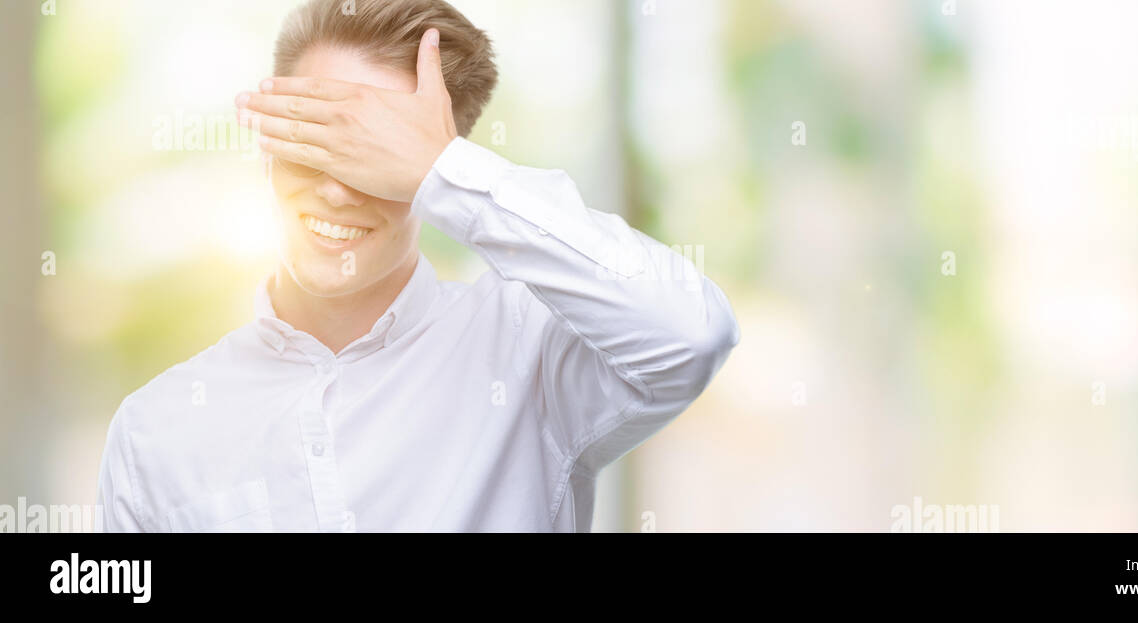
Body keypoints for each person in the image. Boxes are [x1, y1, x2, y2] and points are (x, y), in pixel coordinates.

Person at [94, 0, 738, 532]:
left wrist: (445, 173)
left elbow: (690, 334)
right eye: (320, 137)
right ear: (268, 141)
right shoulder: (156, 428)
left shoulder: (530, 354)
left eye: (376, 153)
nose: (340, 191)